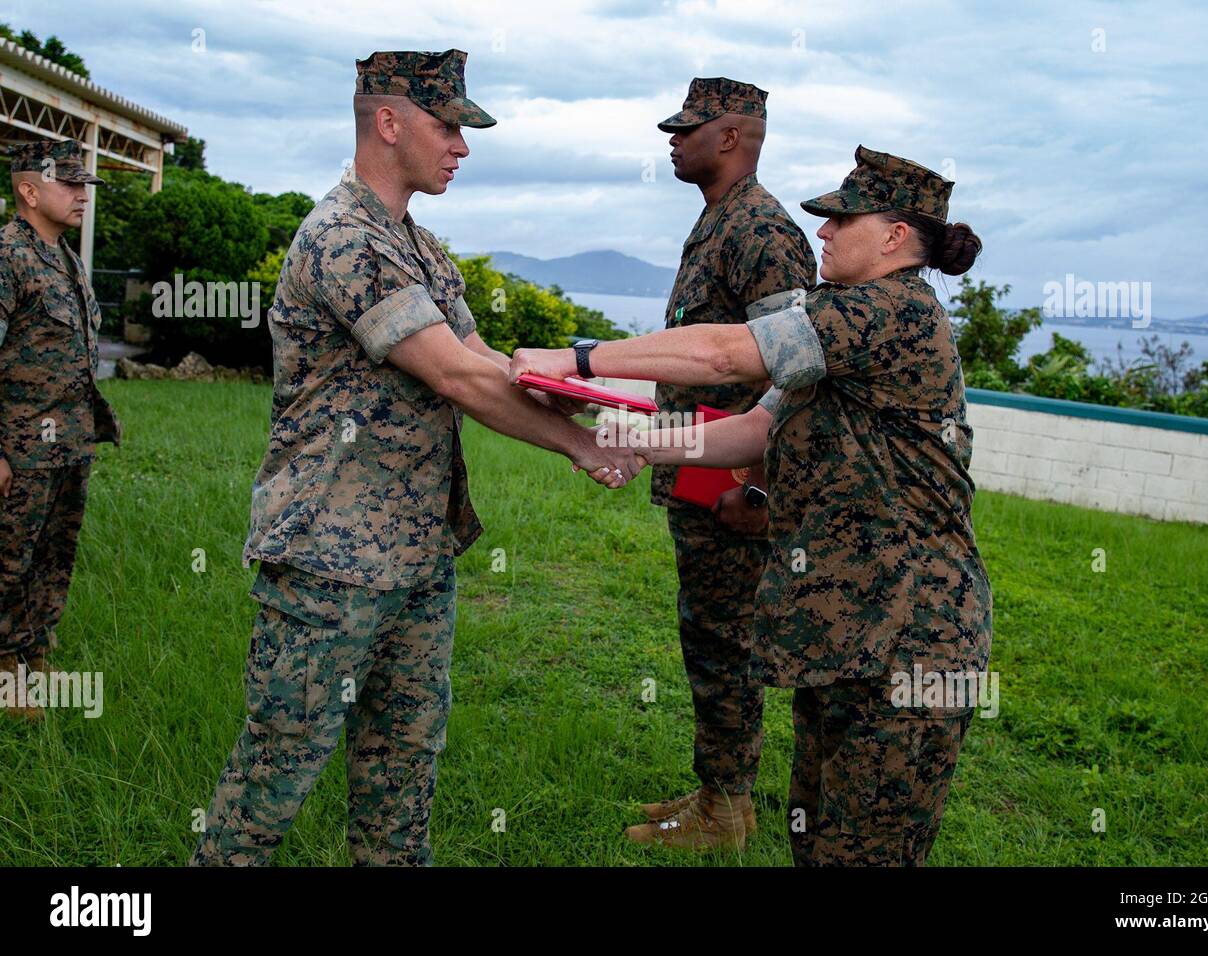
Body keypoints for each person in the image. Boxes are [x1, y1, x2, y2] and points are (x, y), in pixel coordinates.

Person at [191, 49, 640, 866]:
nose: (463, 146)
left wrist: (585, 396)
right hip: (329, 561)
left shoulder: (420, 247)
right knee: (272, 782)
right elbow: (455, 372)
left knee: (403, 771)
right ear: (388, 122)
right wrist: (580, 441)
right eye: (449, 126)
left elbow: (484, 359)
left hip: (417, 556)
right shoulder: (341, 238)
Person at [511, 146, 993, 866]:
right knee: (817, 840)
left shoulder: (894, 313)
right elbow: (750, 430)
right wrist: (617, 435)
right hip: (849, 634)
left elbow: (723, 358)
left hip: (911, 639)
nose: (822, 233)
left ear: (895, 237)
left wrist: (578, 359)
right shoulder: (838, 327)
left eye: (842, 219)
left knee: (866, 853)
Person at [617, 77, 816, 850]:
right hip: (702, 471)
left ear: (731, 136)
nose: (672, 138)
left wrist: (758, 485)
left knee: (725, 642)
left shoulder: (763, 231)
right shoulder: (720, 222)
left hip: (732, 482)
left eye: (687, 127)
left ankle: (726, 811)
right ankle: (719, 790)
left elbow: (798, 372)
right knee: (709, 635)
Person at [0, 139, 120, 721]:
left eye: (84, 186)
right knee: (8, 557)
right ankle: (3, 672)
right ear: (28, 190)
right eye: (69, 185)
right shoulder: (8, 256)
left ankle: (33, 653)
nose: (81, 196)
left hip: (68, 442)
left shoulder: (65, 257)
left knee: (53, 555)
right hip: (19, 447)